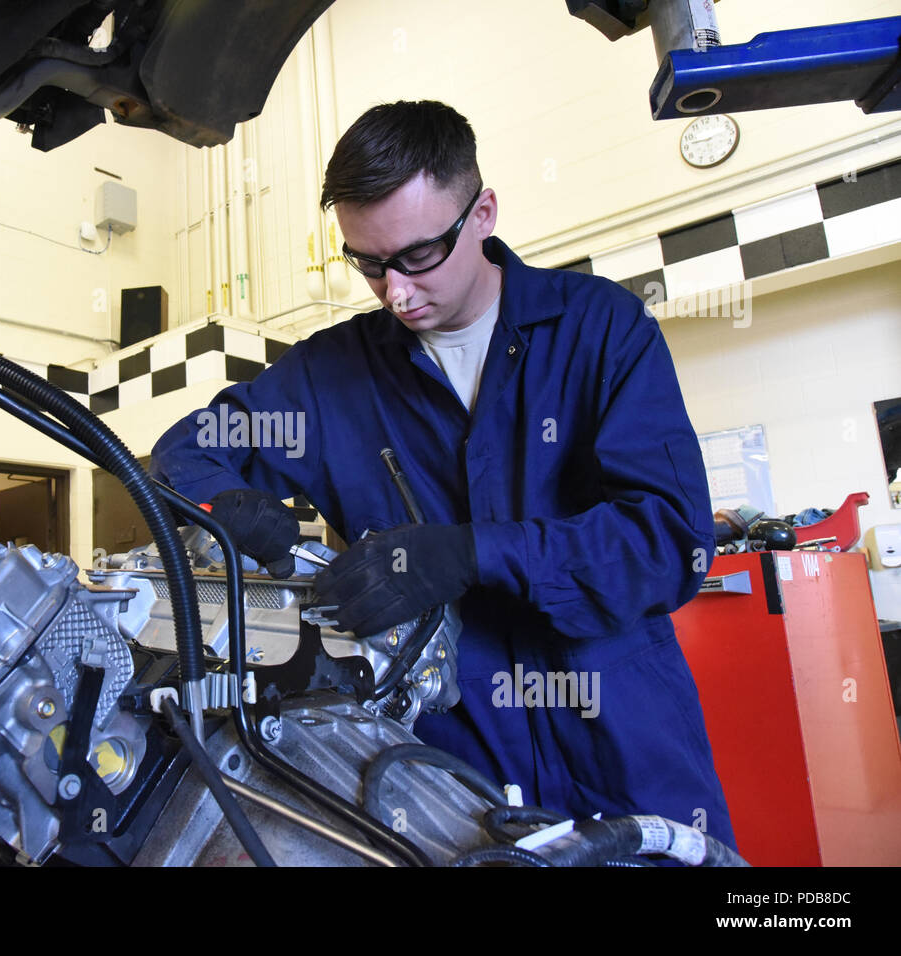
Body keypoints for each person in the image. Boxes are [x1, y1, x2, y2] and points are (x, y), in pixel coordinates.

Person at [150, 100, 734, 849]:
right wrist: (218, 502)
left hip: (620, 730)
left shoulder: (602, 331)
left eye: (417, 255)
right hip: (446, 757)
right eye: (367, 263)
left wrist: (471, 552)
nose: (395, 291)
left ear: (482, 212)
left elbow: (665, 544)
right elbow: (189, 447)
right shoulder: (336, 374)